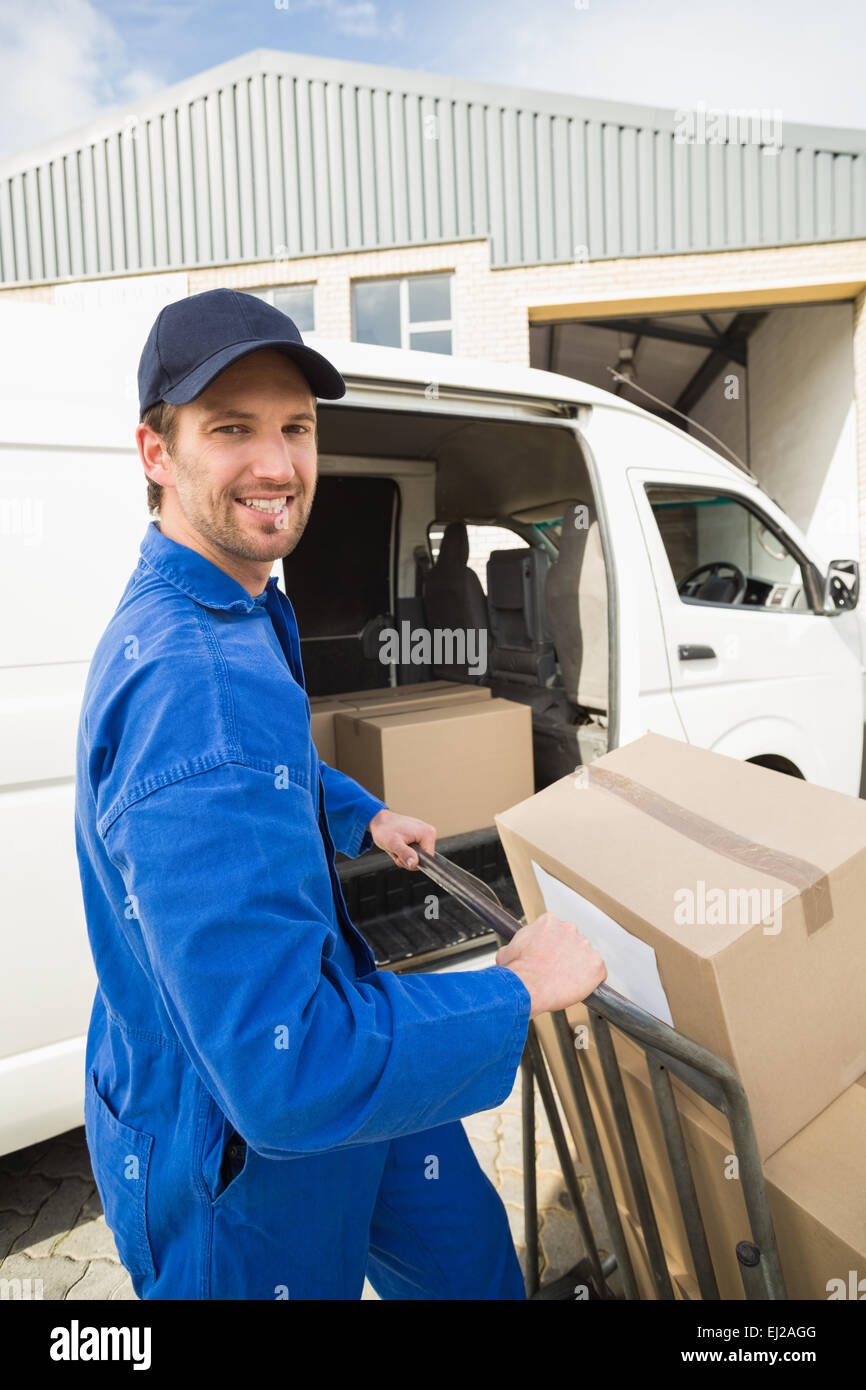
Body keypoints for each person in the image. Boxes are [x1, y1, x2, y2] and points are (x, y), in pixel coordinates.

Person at [74, 288, 607, 1301]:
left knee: (469, 1264)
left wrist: (353, 810)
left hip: (341, 1018)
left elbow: (260, 767)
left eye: (296, 428)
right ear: (156, 451)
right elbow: (286, 1078)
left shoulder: (231, 605)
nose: (277, 464)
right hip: (237, 1145)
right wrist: (516, 987)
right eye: (231, 429)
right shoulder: (193, 685)